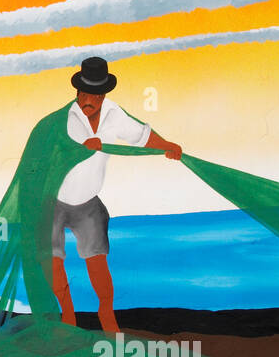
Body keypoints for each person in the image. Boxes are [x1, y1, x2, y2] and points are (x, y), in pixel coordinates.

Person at [53, 57, 182, 333]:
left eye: (96, 95)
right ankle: (67, 317)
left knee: (97, 260)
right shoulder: (62, 120)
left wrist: (167, 145)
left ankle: (107, 317)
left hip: (88, 203)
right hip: (52, 201)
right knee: (53, 261)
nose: (90, 100)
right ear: (77, 93)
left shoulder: (114, 114)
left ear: (103, 95)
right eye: (85, 94)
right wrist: (79, 149)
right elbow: (49, 155)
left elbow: (142, 136)